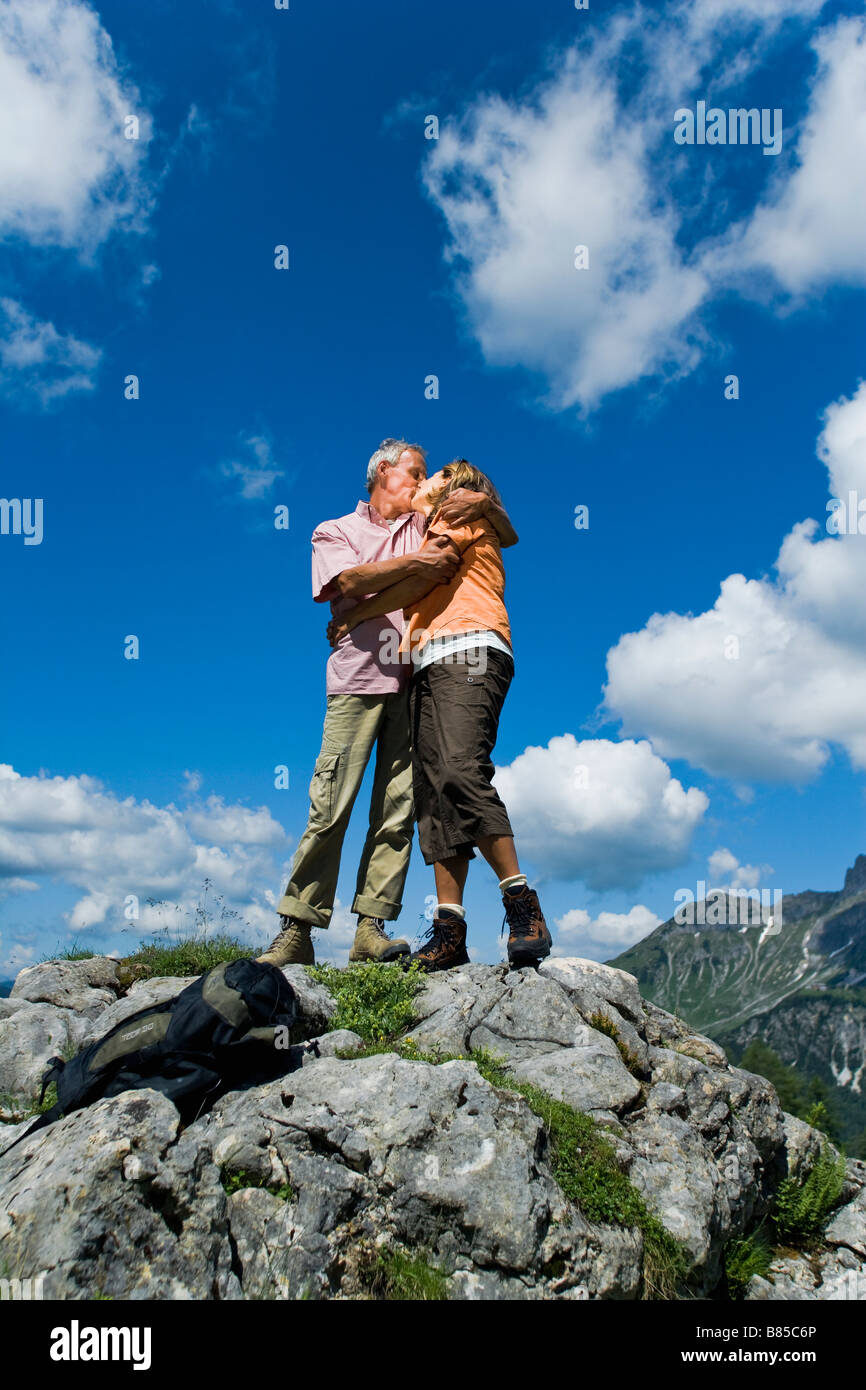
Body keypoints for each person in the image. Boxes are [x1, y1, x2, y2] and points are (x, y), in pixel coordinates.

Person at [259, 440, 518, 968]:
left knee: (397, 811)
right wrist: (416, 561)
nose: (422, 481)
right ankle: (297, 928)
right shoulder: (335, 531)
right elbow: (346, 581)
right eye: (415, 471)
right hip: (357, 680)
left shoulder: (427, 522)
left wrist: (481, 502)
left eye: (428, 474)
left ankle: (370, 929)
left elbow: (487, 526)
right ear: (382, 472)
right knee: (331, 805)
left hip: (416, 680)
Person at [326, 458, 551, 972]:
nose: (428, 476)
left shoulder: (461, 512)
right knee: (434, 793)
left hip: (469, 647)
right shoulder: (439, 521)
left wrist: (356, 612)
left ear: (457, 485)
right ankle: (450, 930)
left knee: (459, 770)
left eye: (440, 471)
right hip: (429, 660)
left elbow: (421, 578)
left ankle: (523, 909)